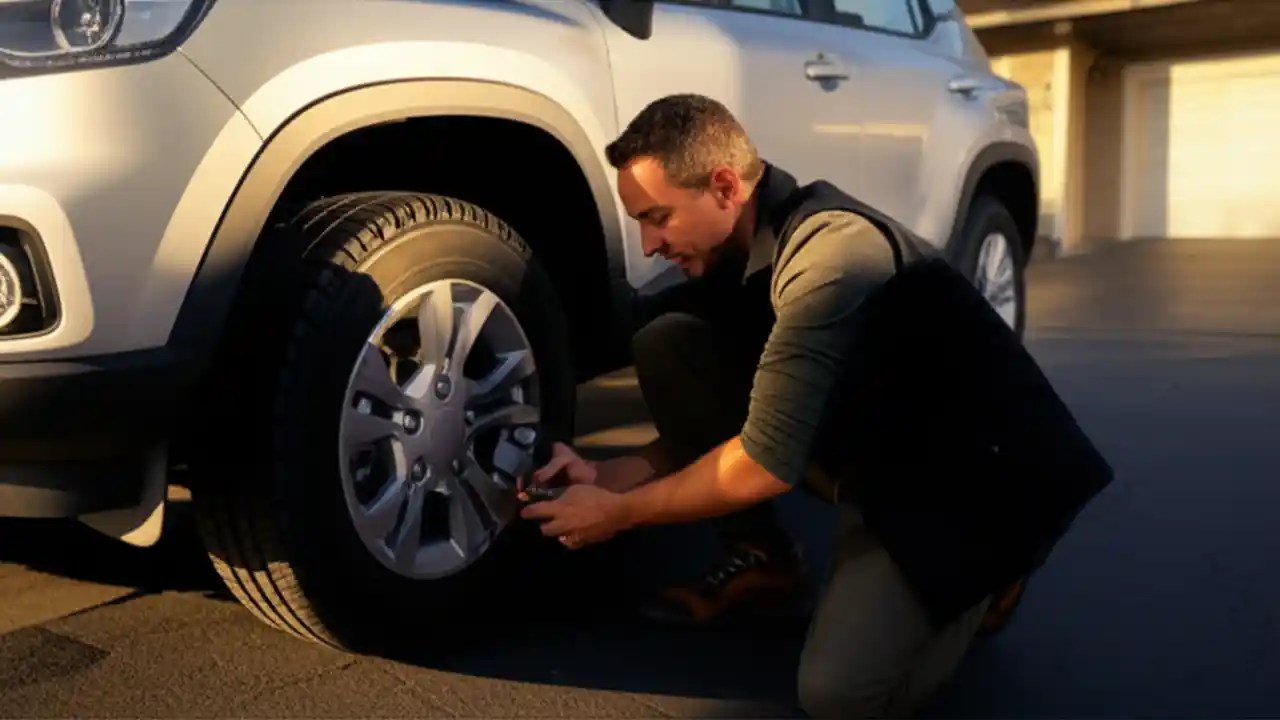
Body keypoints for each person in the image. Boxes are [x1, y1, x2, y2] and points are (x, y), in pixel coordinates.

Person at [518, 94, 1113, 718]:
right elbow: (734, 424)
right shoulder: (736, 253)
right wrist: (602, 478)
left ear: (723, 186)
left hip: (971, 484)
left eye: (657, 217)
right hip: (877, 447)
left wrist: (622, 514)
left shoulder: (831, 256)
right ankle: (766, 563)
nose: (648, 243)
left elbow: (763, 461)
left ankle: (994, 572)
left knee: (839, 695)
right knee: (669, 341)